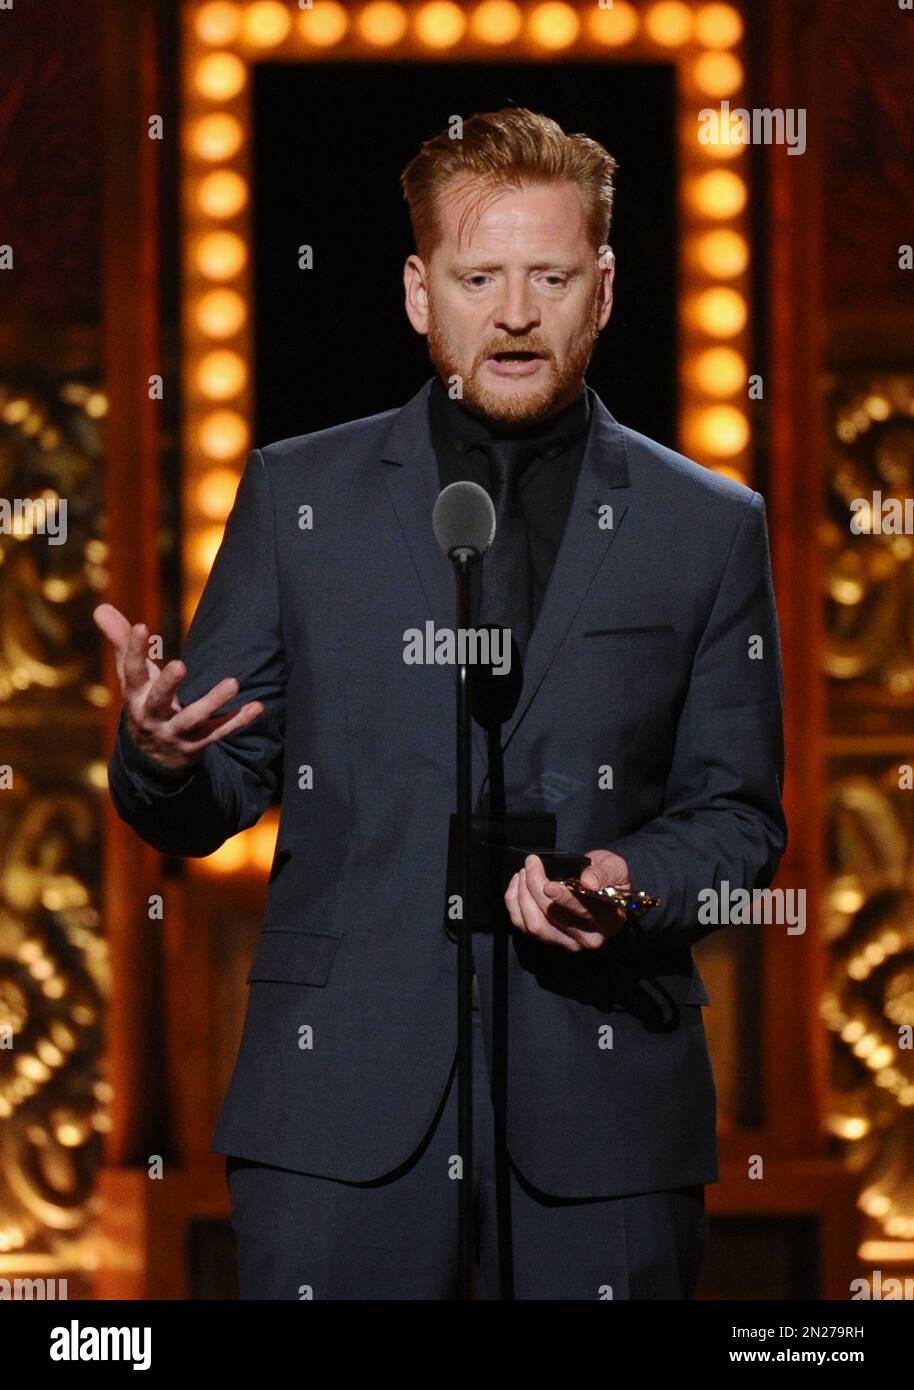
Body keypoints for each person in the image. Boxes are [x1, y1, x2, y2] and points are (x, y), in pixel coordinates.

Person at [95, 107, 786, 1300]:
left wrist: (625, 882)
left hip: (602, 1114)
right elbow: (215, 793)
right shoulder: (298, 496)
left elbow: (738, 820)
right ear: (420, 294)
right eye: (478, 278)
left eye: (549, 277)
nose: (514, 312)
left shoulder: (706, 525)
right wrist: (162, 756)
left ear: (602, 289)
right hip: (338, 1111)